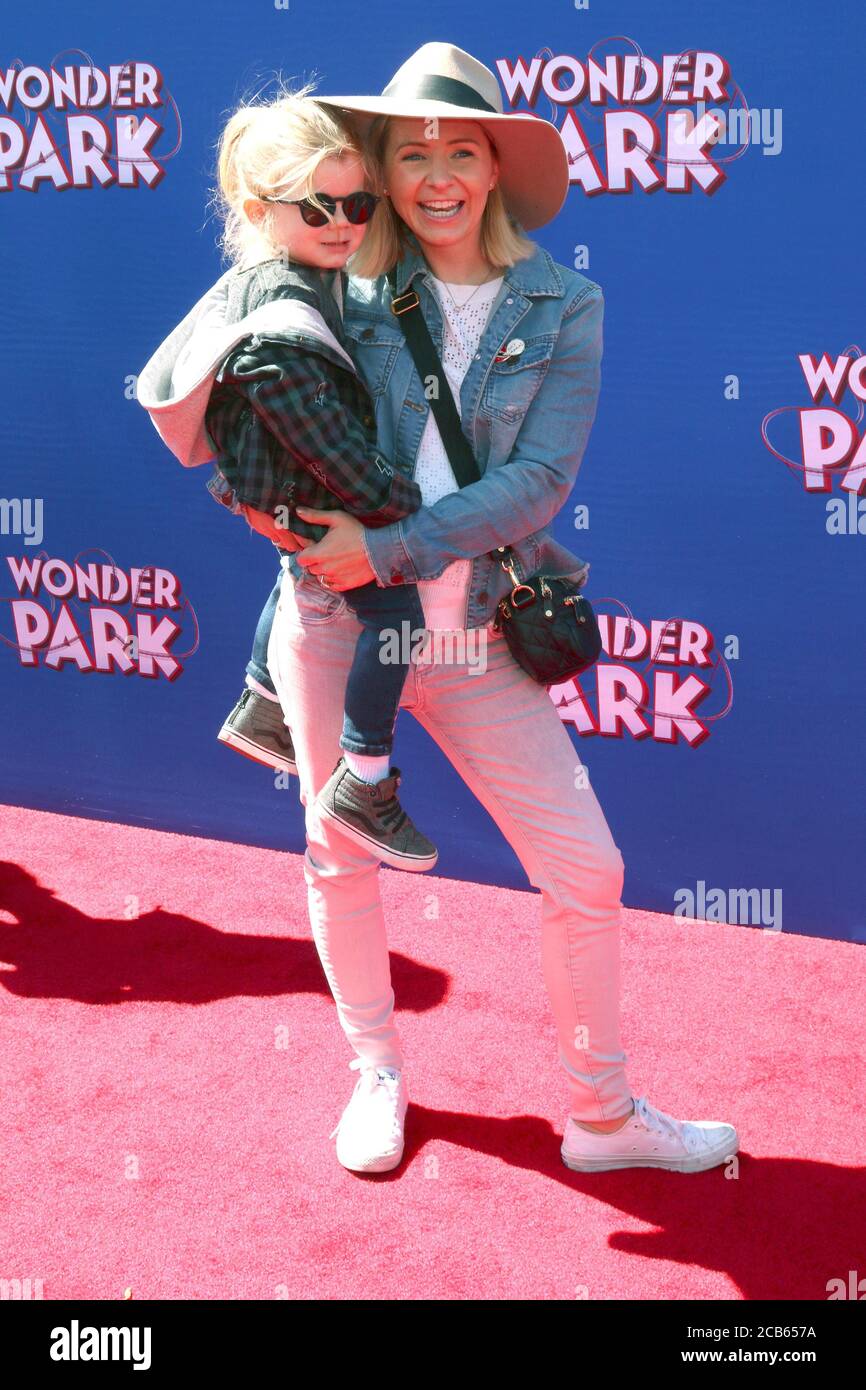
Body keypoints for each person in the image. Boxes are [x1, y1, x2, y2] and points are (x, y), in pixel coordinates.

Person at [232, 42, 740, 1178]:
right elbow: (229, 379)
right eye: (410, 153)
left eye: (459, 149)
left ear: (495, 166)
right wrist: (263, 507)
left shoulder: (565, 302)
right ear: (384, 170)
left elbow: (537, 482)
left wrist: (394, 546)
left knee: (585, 866)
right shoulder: (334, 266)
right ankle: (376, 1075)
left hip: (473, 632)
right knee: (336, 856)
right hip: (331, 618)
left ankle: (599, 1115)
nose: (435, 174)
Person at [137, 88, 440, 871]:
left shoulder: (275, 280)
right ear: (257, 206)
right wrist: (405, 512)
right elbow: (330, 449)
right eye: (317, 207)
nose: (342, 223)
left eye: (358, 203)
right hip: (306, 495)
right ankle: (365, 776)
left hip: (273, 489)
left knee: (293, 570)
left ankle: (262, 702)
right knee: (397, 610)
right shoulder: (283, 316)